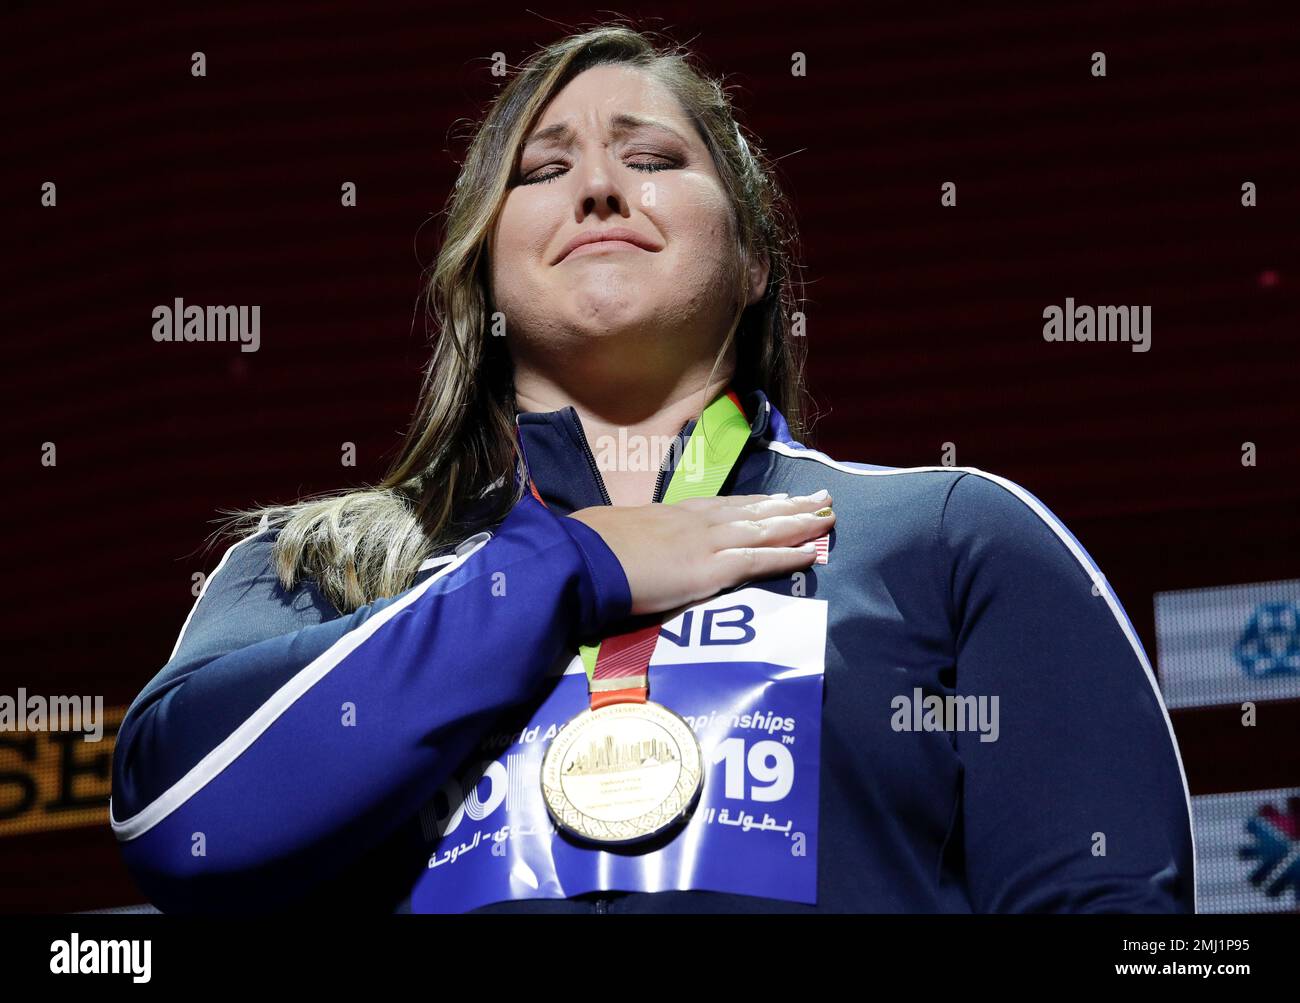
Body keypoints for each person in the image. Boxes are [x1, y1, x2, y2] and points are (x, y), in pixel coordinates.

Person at [110, 24, 1195, 914]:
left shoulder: (949, 539)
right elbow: (176, 822)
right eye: (543, 170)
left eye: (654, 160)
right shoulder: (323, 565)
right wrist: (562, 572)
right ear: (481, 271)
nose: (596, 190)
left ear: (756, 260)